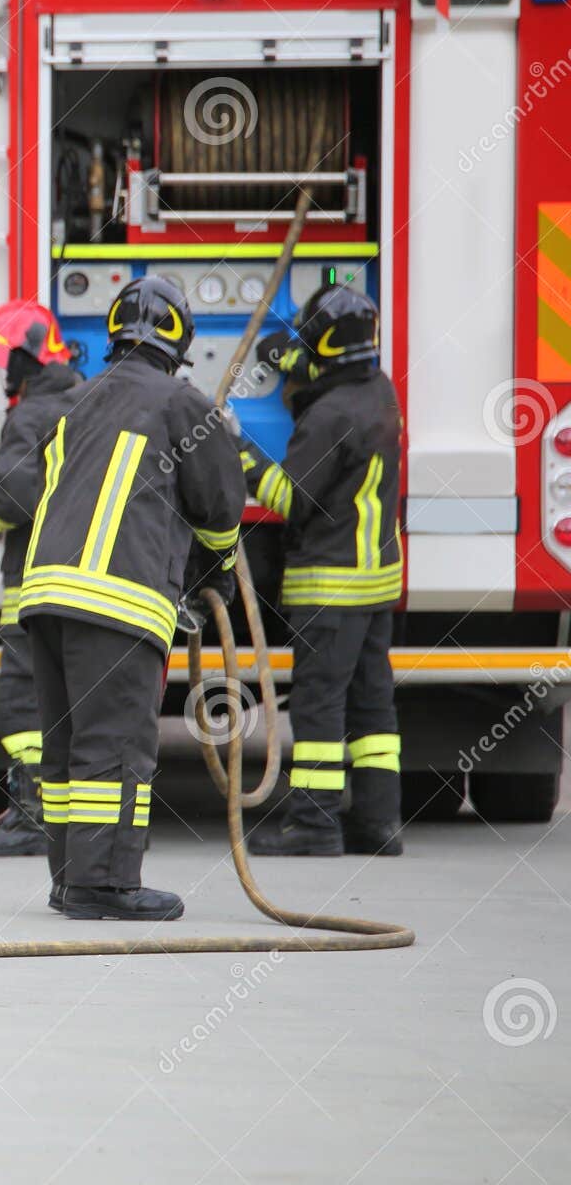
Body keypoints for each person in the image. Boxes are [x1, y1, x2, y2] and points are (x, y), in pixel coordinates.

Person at [18, 276, 246, 920]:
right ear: (179, 340)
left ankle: (69, 880)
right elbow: (219, 505)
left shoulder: (73, 401)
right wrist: (218, 569)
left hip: (45, 600)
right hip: (117, 603)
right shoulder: (182, 403)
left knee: (64, 745)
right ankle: (107, 885)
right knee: (116, 745)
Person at [235, 285, 404, 856]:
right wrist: (291, 355)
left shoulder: (330, 415)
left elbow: (290, 498)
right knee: (372, 704)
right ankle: (379, 826)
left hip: (330, 586)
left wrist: (241, 451)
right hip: (377, 582)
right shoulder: (379, 393)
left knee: (319, 705)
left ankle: (313, 826)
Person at [0, 308, 83, 862]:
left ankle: (33, 813)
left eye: (6, 361)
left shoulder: (29, 416)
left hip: (34, 581)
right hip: (91, 583)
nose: (3, 373)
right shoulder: (89, 404)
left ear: (24, 361)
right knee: (74, 699)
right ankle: (76, 821)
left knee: (19, 698)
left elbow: (12, 499)